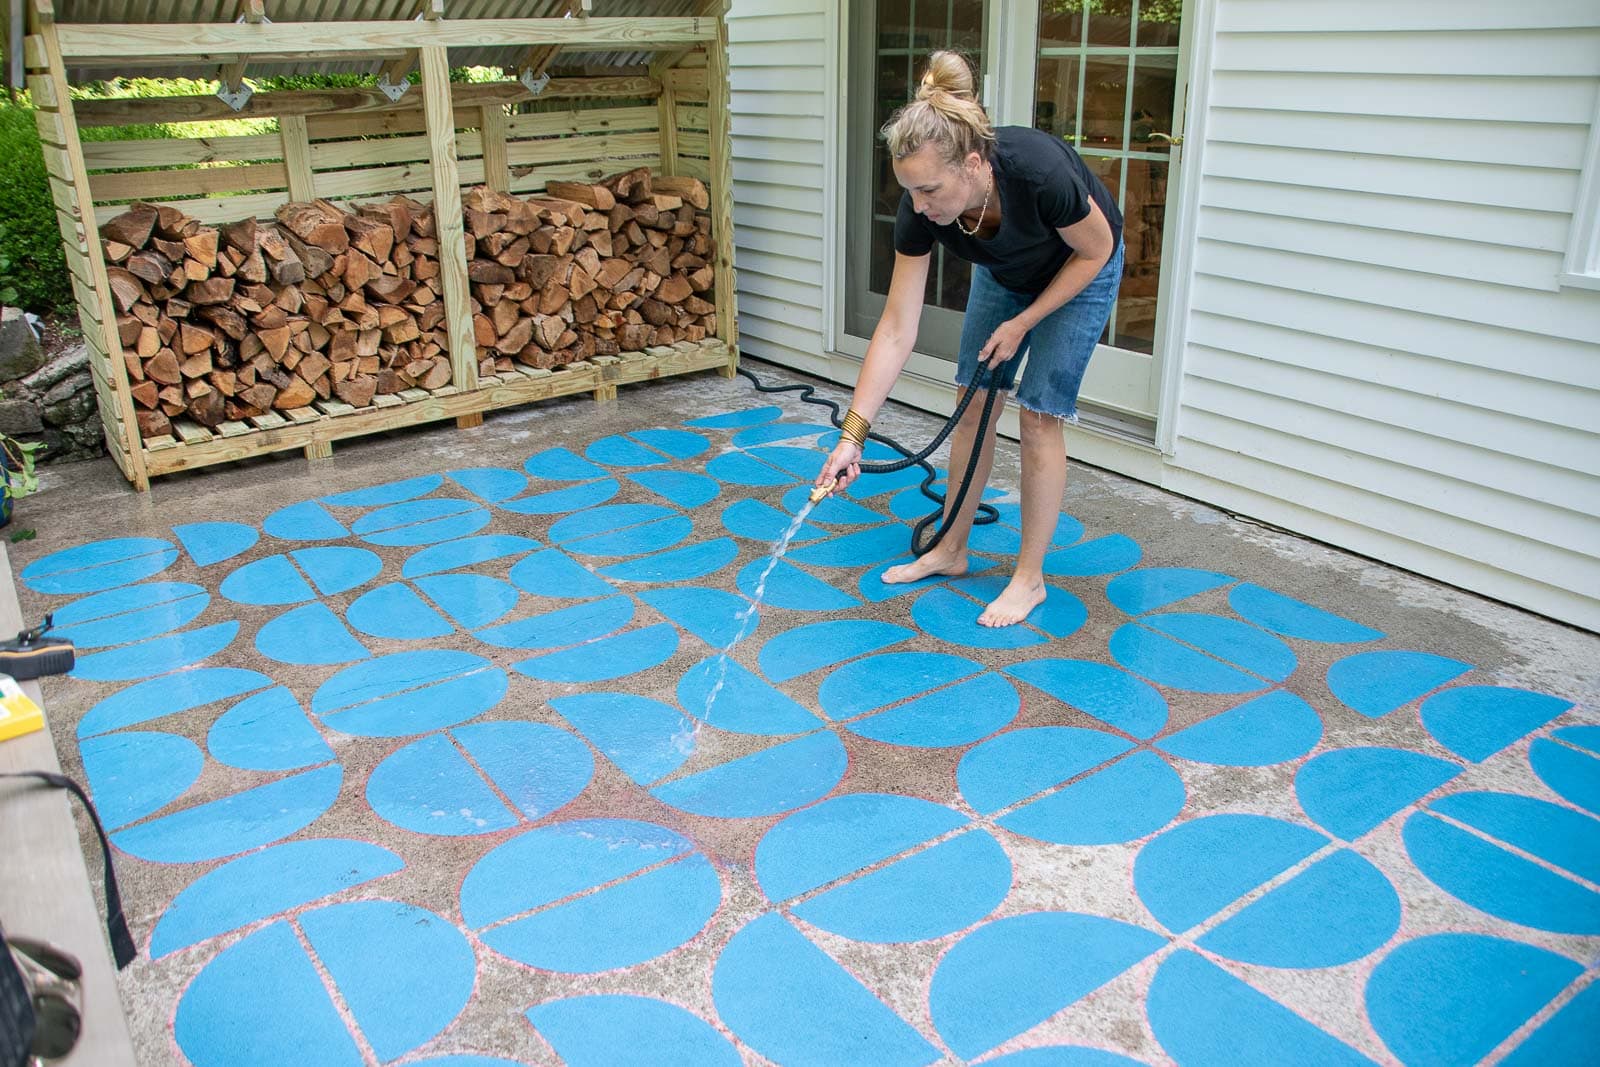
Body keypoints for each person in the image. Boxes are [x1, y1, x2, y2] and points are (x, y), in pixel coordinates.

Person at [814, 50, 1124, 628]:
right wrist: (853, 436)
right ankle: (952, 549)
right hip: (1006, 272)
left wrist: (1023, 322)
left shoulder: (1039, 173)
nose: (919, 206)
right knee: (974, 396)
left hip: (1081, 268)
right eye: (910, 191)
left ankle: (1028, 579)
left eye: (929, 190)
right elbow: (897, 327)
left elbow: (1097, 250)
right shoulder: (922, 209)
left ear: (975, 166)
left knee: (1038, 415)